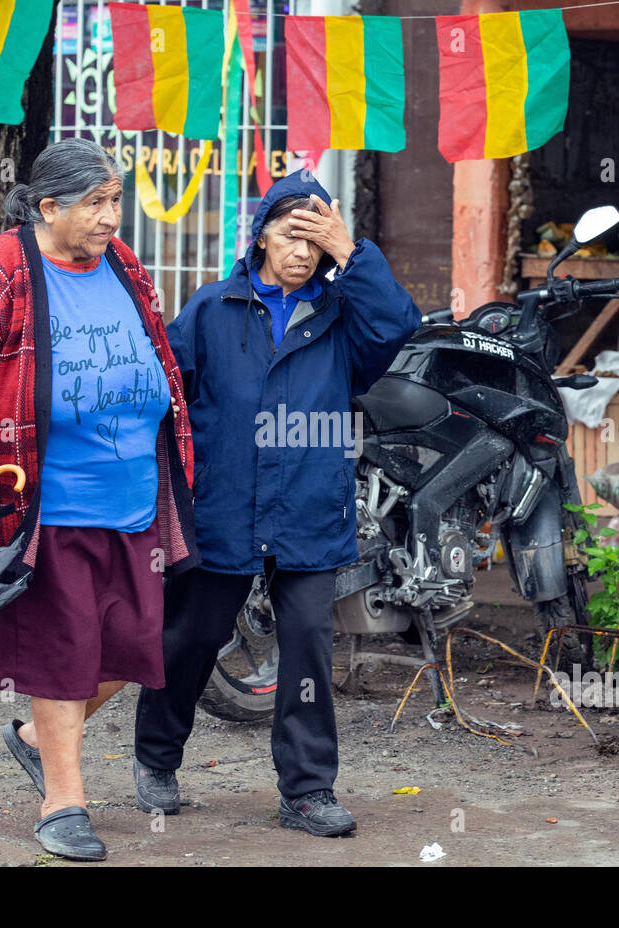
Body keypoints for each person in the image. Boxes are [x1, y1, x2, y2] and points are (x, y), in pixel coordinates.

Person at [0, 138, 197, 862]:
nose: (114, 216)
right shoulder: (0, 273)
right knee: (62, 651)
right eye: (97, 202)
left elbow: (157, 354)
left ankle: (30, 742)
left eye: (117, 200)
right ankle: (64, 802)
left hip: (136, 496)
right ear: (49, 208)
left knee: (132, 650)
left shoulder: (123, 265)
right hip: (48, 507)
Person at [133, 171, 421, 836]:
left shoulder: (344, 321)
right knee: (192, 637)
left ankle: (307, 791)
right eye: (292, 233)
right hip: (226, 505)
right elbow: (162, 395)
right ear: (260, 235)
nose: (303, 251)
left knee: (307, 649)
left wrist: (352, 250)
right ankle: (155, 758)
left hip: (308, 508)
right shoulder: (212, 310)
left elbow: (398, 324)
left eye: (316, 241)